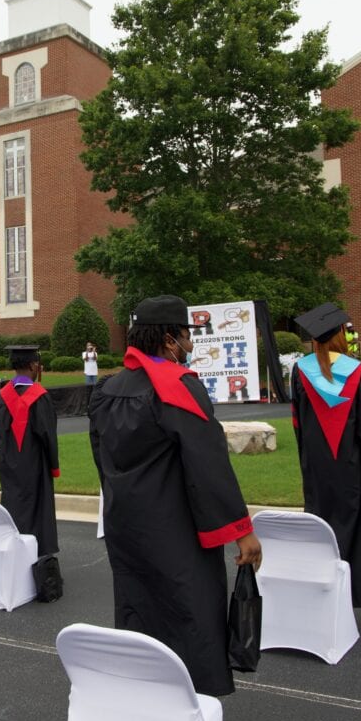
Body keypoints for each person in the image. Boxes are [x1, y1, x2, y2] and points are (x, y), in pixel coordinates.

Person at [88, 295, 261, 697]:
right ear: (170, 340)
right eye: (187, 335)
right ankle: (191, 701)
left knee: (139, 609)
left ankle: (147, 696)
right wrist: (241, 530)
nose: (189, 343)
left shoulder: (107, 390)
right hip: (175, 532)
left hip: (126, 528)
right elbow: (208, 466)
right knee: (190, 613)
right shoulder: (177, 387)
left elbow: (103, 461)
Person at [291, 303, 361, 608]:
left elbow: (298, 424)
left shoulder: (300, 371)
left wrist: (307, 459)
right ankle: (352, 594)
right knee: (356, 526)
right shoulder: (356, 371)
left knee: (321, 522)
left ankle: (322, 593)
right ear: (340, 336)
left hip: (317, 466)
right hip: (350, 464)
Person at [0, 345, 61, 561]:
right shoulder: (40, 396)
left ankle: (14, 552)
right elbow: (48, 434)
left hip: (9, 462)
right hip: (35, 465)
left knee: (13, 503)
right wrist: (53, 465)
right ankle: (37, 554)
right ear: (33, 365)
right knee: (37, 507)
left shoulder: (1, 397)